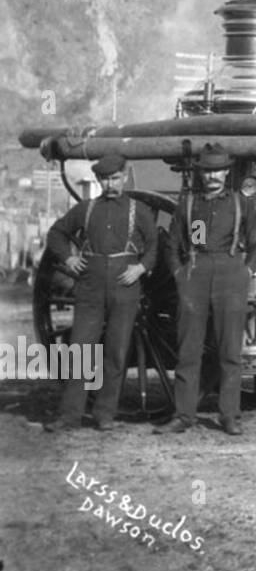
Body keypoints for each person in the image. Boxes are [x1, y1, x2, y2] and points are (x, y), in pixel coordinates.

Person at [43, 152, 157, 432]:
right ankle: (69, 415)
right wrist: (69, 258)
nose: (110, 184)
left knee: (116, 352)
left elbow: (155, 245)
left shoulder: (138, 210)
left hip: (125, 286)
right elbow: (56, 234)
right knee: (80, 349)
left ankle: (104, 414)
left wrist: (141, 268)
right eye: (104, 179)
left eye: (115, 178)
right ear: (98, 180)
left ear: (125, 176)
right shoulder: (86, 209)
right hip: (90, 287)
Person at [157, 143, 256, 436]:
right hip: (195, 274)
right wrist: (180, 274)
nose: (212, 176)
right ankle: (184, 415)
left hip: (231, 276)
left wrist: (246, 272)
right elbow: (174, 245)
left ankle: (229, 415)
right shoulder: (191, 205)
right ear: (201, 174)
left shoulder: (242, 204)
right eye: (207, 171)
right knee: (188, 349)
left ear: (227, 172)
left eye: (218, 170)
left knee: (229, 350)